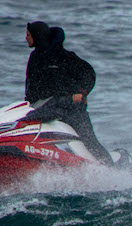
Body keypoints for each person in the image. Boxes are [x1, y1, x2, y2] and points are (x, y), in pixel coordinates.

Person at [22, 21, 108, 163]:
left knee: (91, 143)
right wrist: (28, 104)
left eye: (28, 35)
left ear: (37, 36)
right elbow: (30, 85)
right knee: (29, 126)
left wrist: (82, 92)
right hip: (47, 107)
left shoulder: (63, 56)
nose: (26, 38)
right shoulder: (34, 57)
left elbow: (89, 73)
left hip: (72, 108)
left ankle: (113, 170)